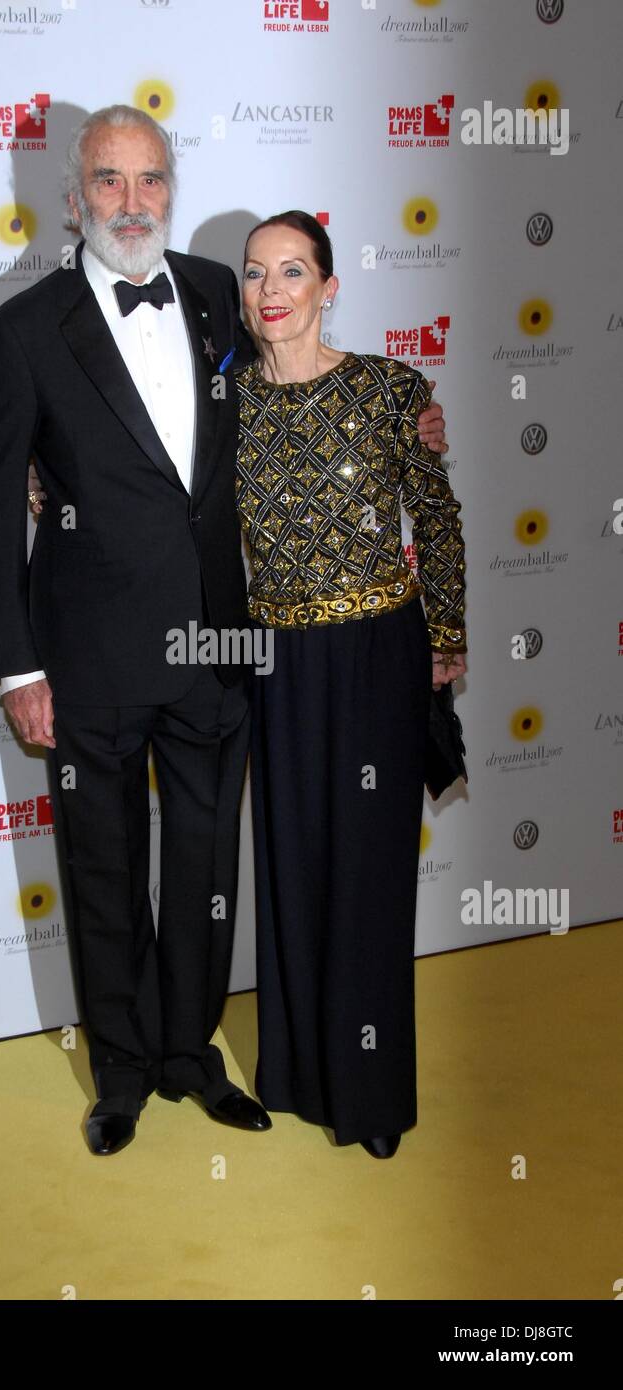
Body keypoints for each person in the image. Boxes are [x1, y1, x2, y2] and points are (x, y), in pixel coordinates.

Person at [0, 105, 449, 1158]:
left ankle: (188, 1052)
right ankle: (124, 1073)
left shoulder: (210, 295)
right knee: (101, 869)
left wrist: (403, 413)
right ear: (72, 195)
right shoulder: (20, 330)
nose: (132, 202)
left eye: (150, 180)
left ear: (170, 188)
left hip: (219, 651)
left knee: (202, 866)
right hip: (86, 656)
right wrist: (16, 665)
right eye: (109, 181)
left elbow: (299, 375)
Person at [236, 210, 467, 1158]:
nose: (273, 292)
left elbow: (438, 517)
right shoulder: (225, 406)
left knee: (369, 877)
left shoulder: (388, 388)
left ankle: (369, 1096)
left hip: (379, 655)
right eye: (255, 275)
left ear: (330, 287)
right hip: (278, 663)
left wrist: (446, 635)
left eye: (293, 271)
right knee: (293, 865)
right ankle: (296, 1074)